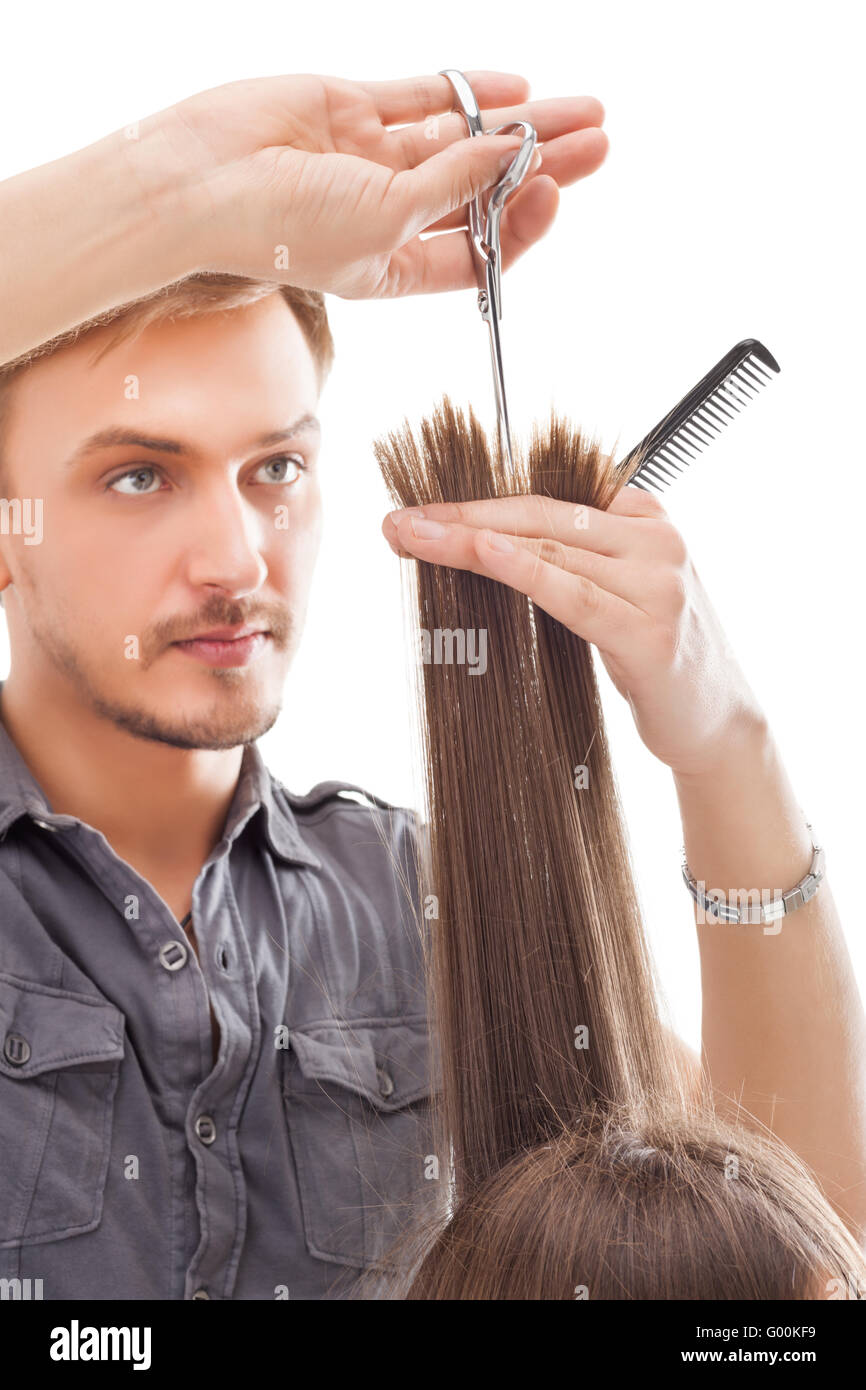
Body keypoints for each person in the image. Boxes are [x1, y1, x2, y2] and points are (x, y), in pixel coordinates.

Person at [0, 70, 861, 1302]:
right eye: (140, 475)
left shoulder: (428, 909)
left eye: (276, 467)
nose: (238, 559)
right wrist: (170, 189)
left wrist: (726, 746)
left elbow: (792, 1261)